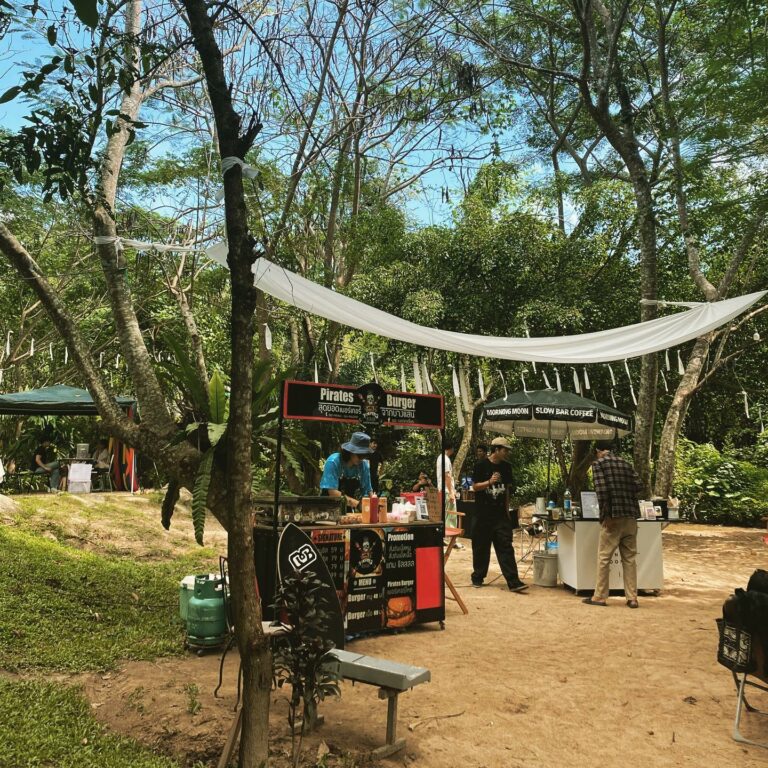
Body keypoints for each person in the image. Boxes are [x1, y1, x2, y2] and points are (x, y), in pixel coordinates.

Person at [583, 440, 643, 609]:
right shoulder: (626, 463)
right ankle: (632, 598)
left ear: (598, 451)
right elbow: (639, 485)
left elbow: (601, 491)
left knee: (604, 557)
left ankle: (600, 596)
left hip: (613, 518)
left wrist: (606, 516)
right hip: (631, 516)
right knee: (629, 559)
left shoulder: (598, 464)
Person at [471, 436, 527, 592]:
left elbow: (507, 490)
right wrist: (489, 482)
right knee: (481, 547)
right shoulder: (480, 465)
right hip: (483, 513)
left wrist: (507, 510)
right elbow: (475, 487)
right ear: (496, 449)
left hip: (500, 514)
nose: (507, 453)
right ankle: (478, 576)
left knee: (506, 547)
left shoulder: (506, 467)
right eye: (505, 450)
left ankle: (513, 581)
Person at [319, 431, 373, 510]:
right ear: (350, 451)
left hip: (349, 510)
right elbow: (332, 493)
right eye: (360, 455)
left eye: (365, 455)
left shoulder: (364, 465)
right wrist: (357, 504)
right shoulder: (333, 462)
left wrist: (374, 506)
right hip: (328, 509)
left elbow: (368, 491)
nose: (362, 459)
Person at [436, 443, 457, 527]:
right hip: (447, 490)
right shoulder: (445, 459)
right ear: (451, 448)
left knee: (445, 514)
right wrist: (451, 492)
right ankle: (450, 536)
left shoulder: (439, 457)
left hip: (442, 489)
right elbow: (447, 475)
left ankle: (446, 536)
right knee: (450, 515)